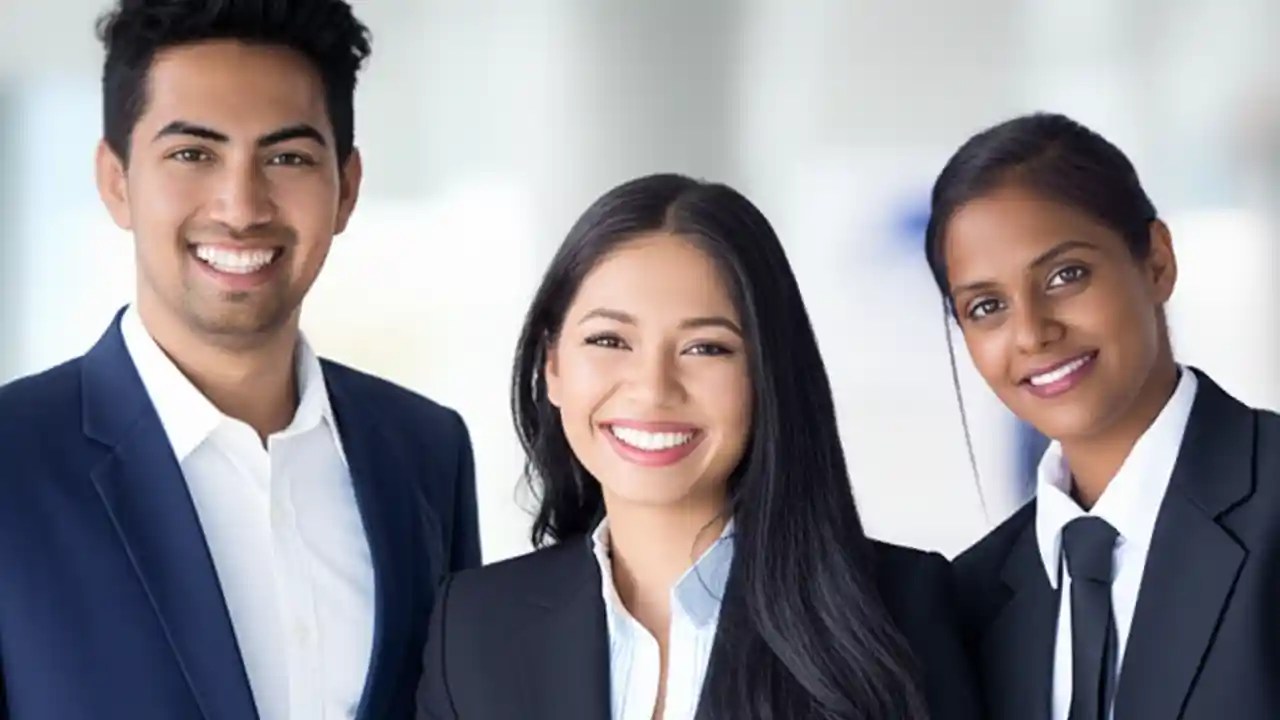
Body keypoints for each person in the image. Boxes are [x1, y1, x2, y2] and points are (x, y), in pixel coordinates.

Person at [0, 1, 481, 718]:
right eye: (193, 154)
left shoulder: (424, 451)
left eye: (287, 157)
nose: (241, 204)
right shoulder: (13, 456)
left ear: (346, 188)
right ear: (115, 179)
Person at [415, 173, 981, 720]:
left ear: (767, 376)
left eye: (706, 348)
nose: (653, 388)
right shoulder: (472, 628)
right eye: (609, 340)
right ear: (553, 365)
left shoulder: (901, 611)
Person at [928, 112, 1280, 720]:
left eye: (1066, 275)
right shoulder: (970, 601)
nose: (1033, 333)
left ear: (1156, 263)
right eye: (987, 306)